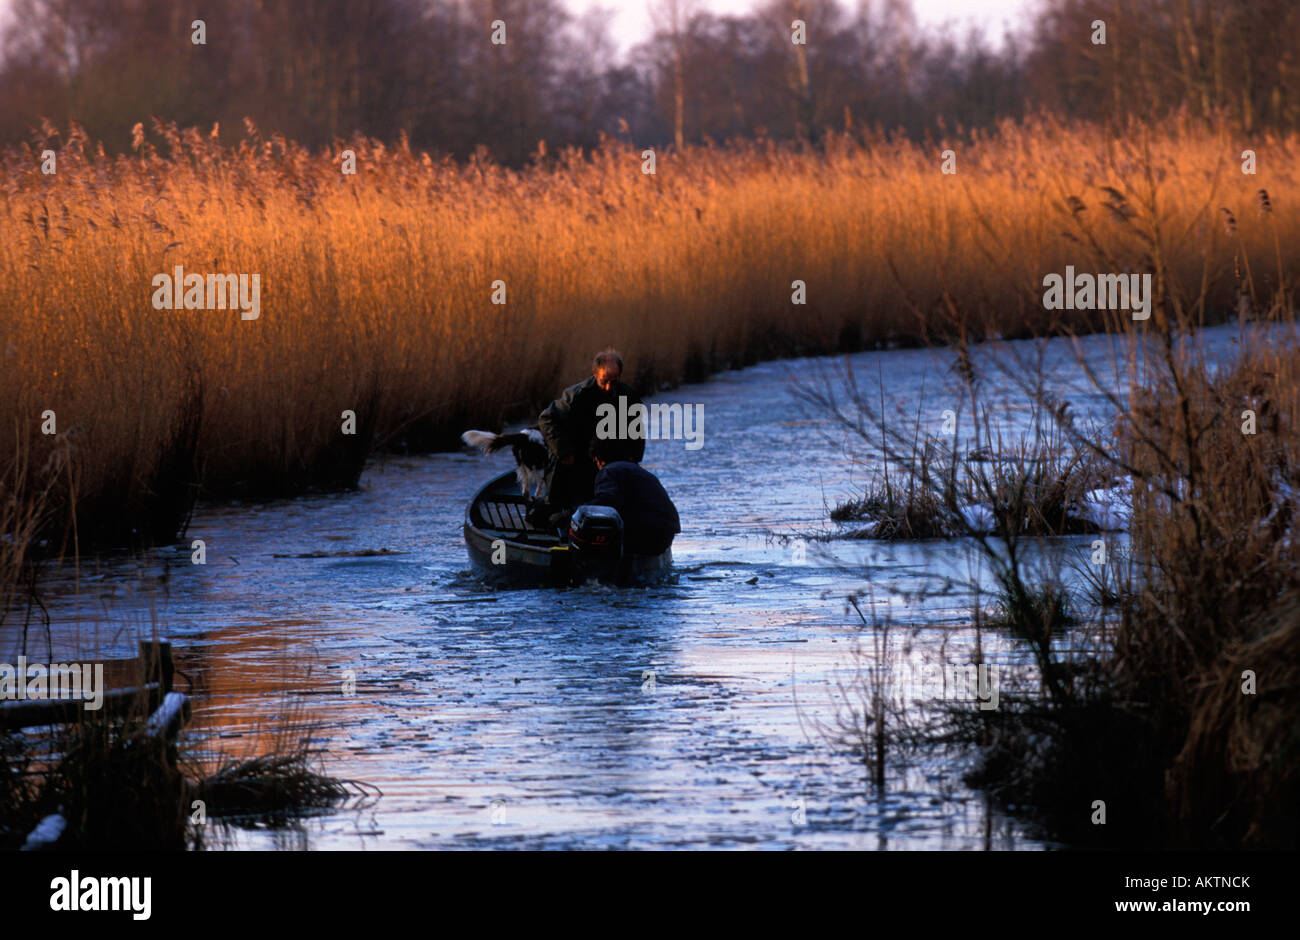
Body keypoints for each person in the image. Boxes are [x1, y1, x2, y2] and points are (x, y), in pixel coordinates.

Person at [538, 348, 646, 510]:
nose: (609, 387)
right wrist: (564, 452)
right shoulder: (576, 395)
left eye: (614, 381)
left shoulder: (629, 397)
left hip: (609, 459)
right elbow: (546, 419)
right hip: (575, 457)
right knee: (564, 504)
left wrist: (632, 459)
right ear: (595, 375)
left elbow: (636, 434)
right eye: (605, 381)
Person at [583, 436, 680, 556]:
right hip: (666, 533)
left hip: (647, 535)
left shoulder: (608, 472)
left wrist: (572, 513)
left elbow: (606, 502)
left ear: (598, 459)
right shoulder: (639, 471)